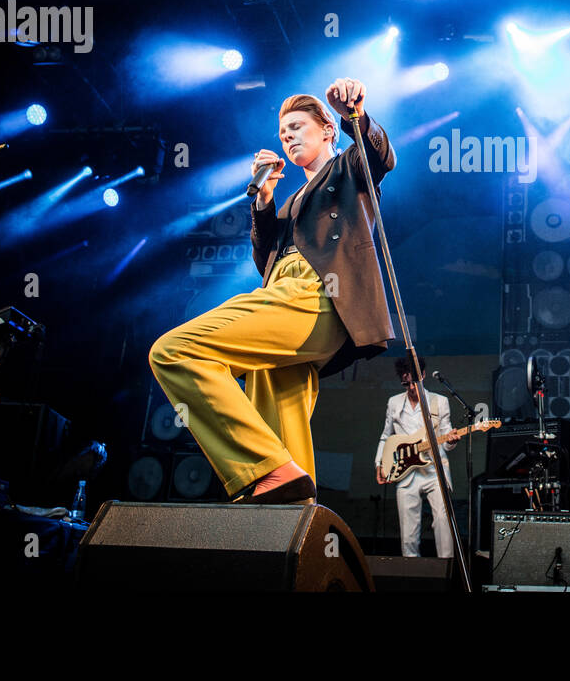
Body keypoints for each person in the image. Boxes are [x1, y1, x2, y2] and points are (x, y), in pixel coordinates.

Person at [149, 77, 396, 505]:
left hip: (317, 295)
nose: (288, 137)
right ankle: (292, 512)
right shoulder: (289, 200)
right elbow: (265, 262)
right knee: (278, 404)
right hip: (284, 296)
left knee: (175, 351)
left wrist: (354, 112)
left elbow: (380, 156)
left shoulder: (348, 169)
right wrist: (263, 200)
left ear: (327, 130)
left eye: (297, 127)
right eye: (283, 133)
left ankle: (260, 466)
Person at [375, 358, 457, 558]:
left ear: (423, 375)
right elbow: (386, 436)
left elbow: (446, 441)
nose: (411, 387)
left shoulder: (439, 402)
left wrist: (453, 440)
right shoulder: (394, 403)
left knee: (442, 521)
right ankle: (411, 573)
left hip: (434, 471)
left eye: (415, 382)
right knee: (408, 531)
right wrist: (380, 464)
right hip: (405, 471)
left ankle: (446, 569)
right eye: (406, 383)